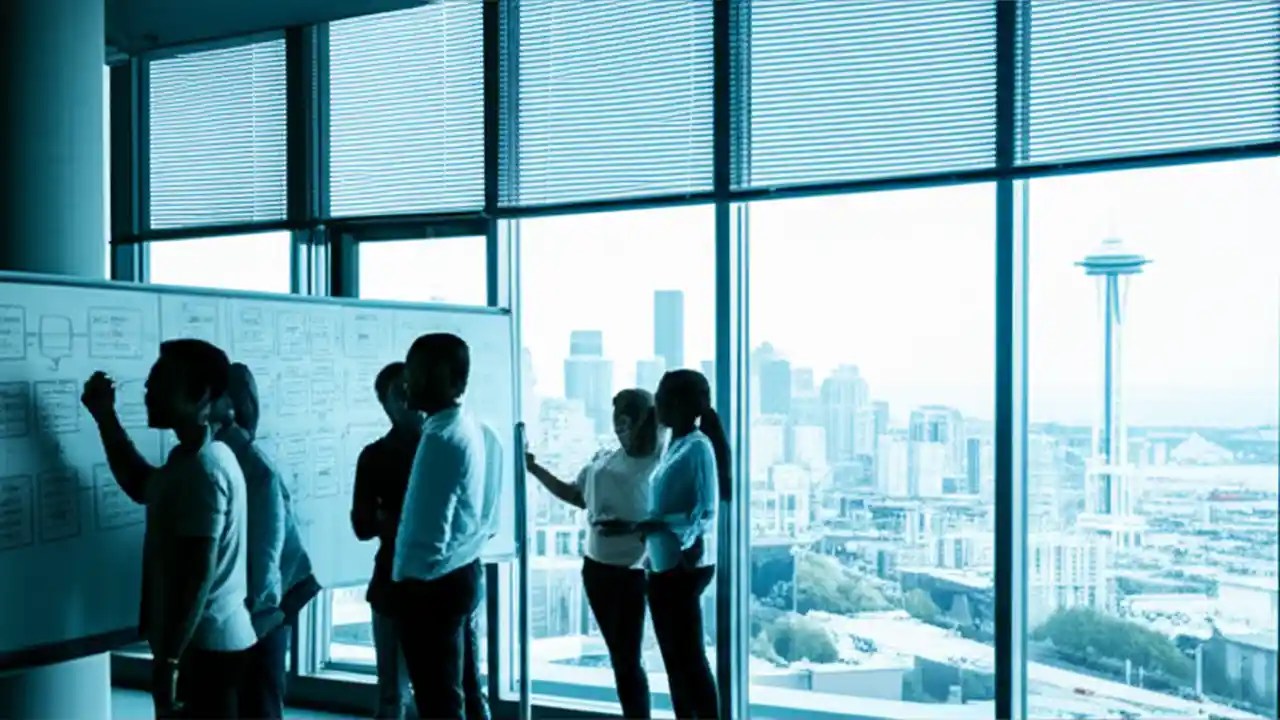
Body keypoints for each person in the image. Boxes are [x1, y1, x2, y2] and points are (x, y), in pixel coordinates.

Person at [81, 340, 257, 719]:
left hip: (205, 650)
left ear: (202, 396)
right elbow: (144, 485)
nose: (148, 388)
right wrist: (105, 417)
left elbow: (198, 573)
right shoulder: (194, 456)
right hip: (207, 645)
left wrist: (170, 661)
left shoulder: (203, 470)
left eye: (162, 380)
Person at [599, 369, 730, 719]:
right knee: (676, 661)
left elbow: (702, 513)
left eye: (663, 397)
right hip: (664, 564)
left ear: (684, 404)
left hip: (682, 566)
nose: (657, 403)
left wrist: (645, 526)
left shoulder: (698, 447)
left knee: (689, 661)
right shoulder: (677, 443)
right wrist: (637, 527)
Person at [525, 389, 661, 719]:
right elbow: (577, 495)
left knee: (627, 659)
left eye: (625, 423)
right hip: (596, 567)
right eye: (617, 423)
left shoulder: (659, 463)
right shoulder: (608, 458)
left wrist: (626, 527)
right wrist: (535, 469)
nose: (620, 430)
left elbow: (665, 519)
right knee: (620, 656)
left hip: (631, 571)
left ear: (644, 421)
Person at [393, 333, 502, 720]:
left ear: (455, 381)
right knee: (449, 694)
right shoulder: (466, 425)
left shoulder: (440, 437)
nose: (410, 380)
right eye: (410, 370)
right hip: (456, 573)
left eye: (421, 372)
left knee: (437, 700)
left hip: (430, 587)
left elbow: (426, 535)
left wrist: (407, 587)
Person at [213, 363, 321, 719]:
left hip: (260, 616)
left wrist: (258, 624)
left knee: (257, 706)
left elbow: (265, 560)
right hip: (249, 614)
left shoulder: (254, 469)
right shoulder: (219, 458)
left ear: (229, 406)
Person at [351, 361, 420, 720]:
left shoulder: (440, 446)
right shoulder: (375, 456)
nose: (409, 399)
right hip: (391, 585)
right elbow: (361, 525)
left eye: (412, 388)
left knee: (441, 692)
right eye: (399, 393)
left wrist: (389, 519)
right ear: (386, 404)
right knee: (392, 695)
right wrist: (394, 522)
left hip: (437, 587)